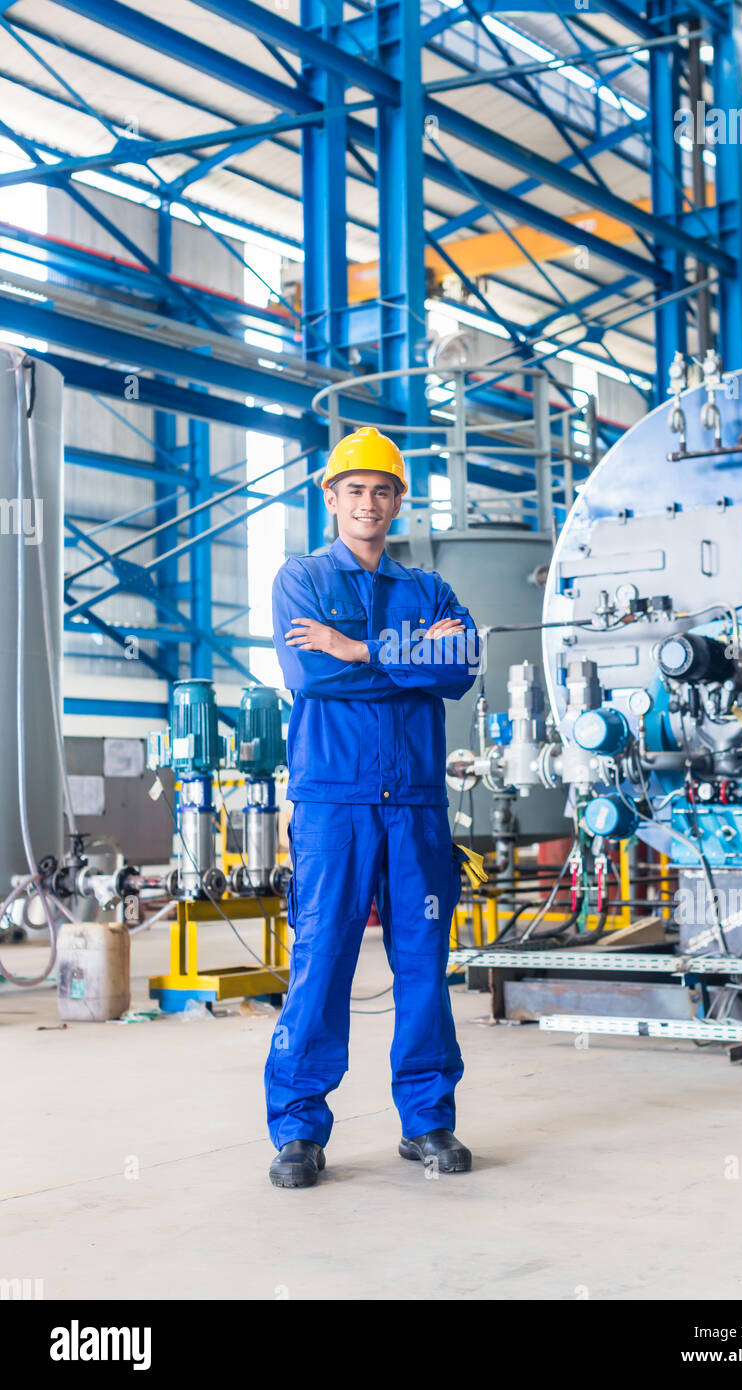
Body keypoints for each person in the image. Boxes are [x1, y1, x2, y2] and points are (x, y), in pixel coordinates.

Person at [265, 426, 480, 1188]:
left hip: (416, 806)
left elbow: (462, 667)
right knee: (321, 961)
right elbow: (310, 679)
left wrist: (357, 649)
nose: (368, 502)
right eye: (354, 489)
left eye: (382, 490)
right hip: (335, 803)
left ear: (397, 503)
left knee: (423, 965)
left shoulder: (428, 590)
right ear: (331, 498)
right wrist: (411, 658)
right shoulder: (300, 580)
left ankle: (428, 1121)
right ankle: (297, 1130)